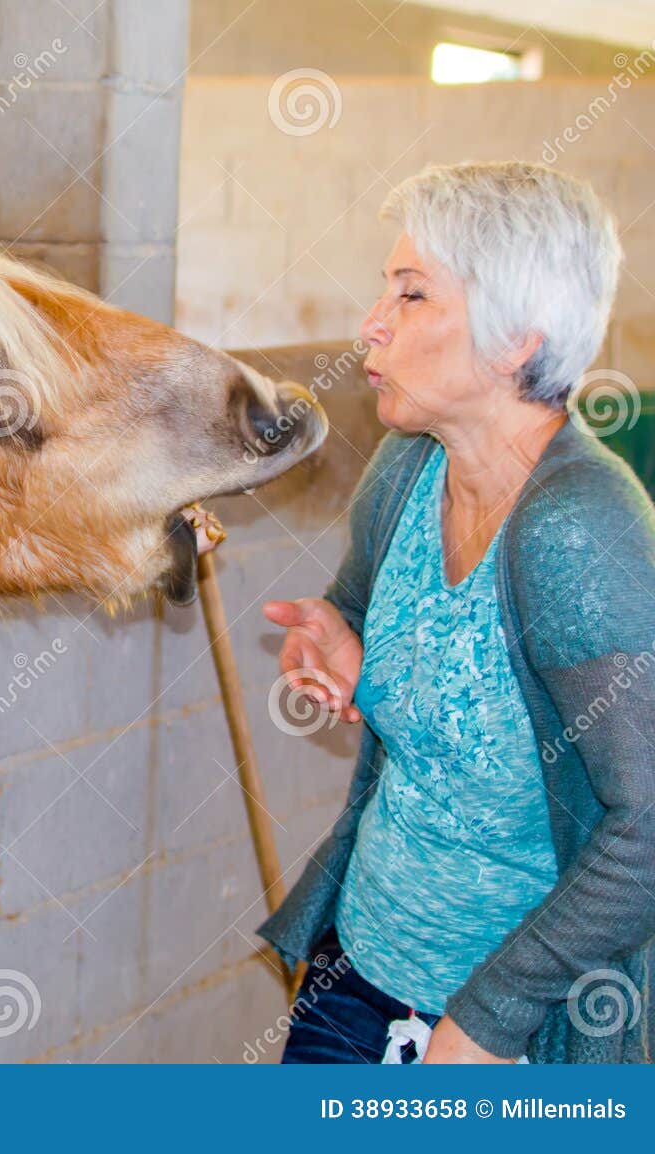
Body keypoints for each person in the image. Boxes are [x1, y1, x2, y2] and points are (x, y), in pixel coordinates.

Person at [258, 161, 655, 1064]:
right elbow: (357, 613)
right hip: (355, 972)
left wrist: (486, 1016)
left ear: (516, 339)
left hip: (511, 1034)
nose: (374, 323)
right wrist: (334, 639)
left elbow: (649, 824)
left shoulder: (581, 531)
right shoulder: (408, 468)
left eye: (413, 294)